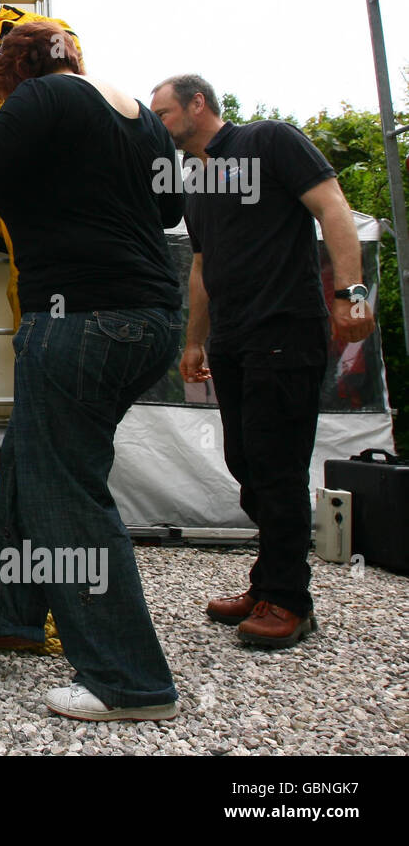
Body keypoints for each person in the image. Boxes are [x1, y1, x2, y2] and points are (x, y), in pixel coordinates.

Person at [0, 20, 184, 721]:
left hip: (81, 320)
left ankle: (128, 681)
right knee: (33, 460)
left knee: (65, 492)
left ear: (15, 72)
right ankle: (8, 612)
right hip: (149, 321)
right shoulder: (140, 118)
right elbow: (171, 206)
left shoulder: (43, 97)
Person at [150, 74, 375, 648]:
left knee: (275, 468)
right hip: (232, 340)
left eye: (166, 112)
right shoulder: (197, 182)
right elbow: (202, 267)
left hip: (286, 330)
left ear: (198, 104)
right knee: (247, 464)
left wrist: (351, 293)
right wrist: (194, 341)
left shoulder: (269, 141)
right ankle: (267, 582)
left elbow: (332, 206)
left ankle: (291, 604)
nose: (160, 123)